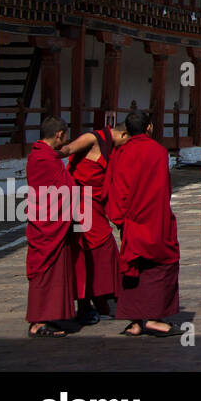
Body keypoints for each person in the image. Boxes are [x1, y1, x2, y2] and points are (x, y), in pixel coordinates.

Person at [107, 110, 182, 338]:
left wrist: (120, 220)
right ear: (149, 127)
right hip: (155, 220)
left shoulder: (120, 152)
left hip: (130, 221)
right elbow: (162, 188)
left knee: (134, 268)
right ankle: (156, 320)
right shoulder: (158, 151)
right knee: (161, 265)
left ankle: (136, 322)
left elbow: (114, 188)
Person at [63, 120, 130, 324]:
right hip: (80, 202)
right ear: (124, 134)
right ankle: (84, 305)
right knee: (90, 250)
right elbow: (65, 150)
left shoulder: (111, 147)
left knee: (101, 253)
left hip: (96, 203)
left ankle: (100, 301)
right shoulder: (93, 138)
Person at [26, 117, 78, 339]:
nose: (65, 141)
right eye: (65, 136)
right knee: (45, 273)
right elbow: (64, 188)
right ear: (59, 134)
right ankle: (37, 322)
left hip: (47, 219)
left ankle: (49, 315)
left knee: (53, 273)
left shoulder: (37, 154)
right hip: (49, 223)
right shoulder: (46, 158)